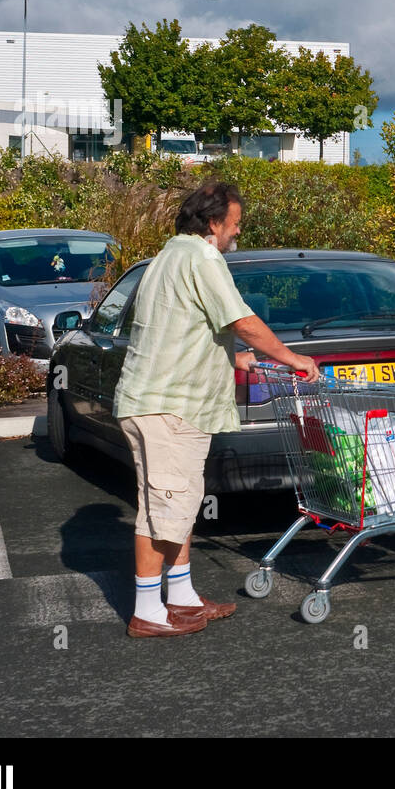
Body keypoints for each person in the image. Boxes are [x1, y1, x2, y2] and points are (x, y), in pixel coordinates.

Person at [113, 182, 318, 637]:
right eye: (235, 223)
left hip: (156, 402)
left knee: (176, 504)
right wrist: (294, 358)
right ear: (213, 223)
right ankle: (147, 612)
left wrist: (234, 358)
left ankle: (182, 599)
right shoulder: (203, 258)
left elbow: (183, 327)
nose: (237, 231)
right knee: (161, 511)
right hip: (170, 408)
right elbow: (241, 320)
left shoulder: (169, 255)